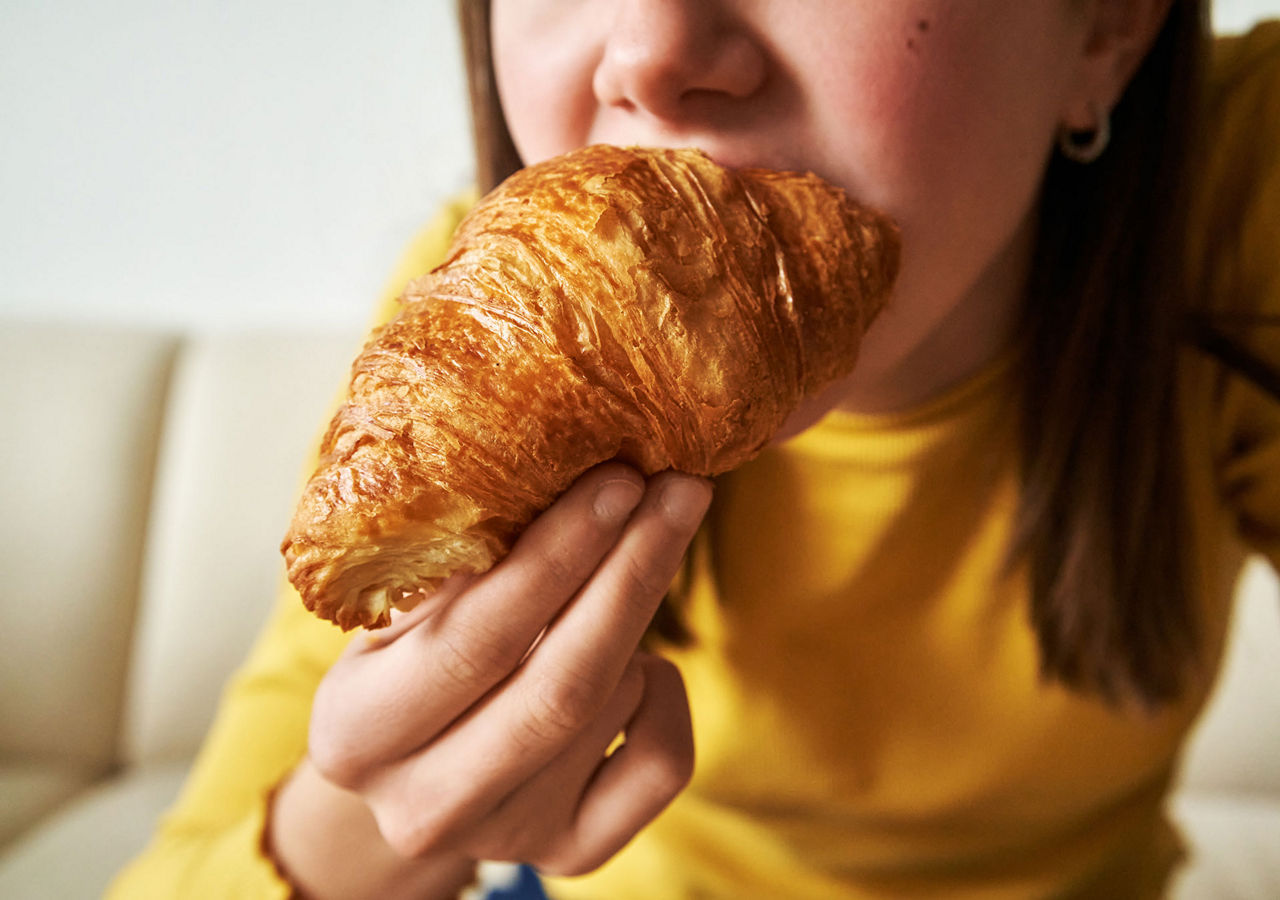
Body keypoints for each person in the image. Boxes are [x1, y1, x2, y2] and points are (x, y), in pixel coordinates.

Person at [111, 1, 1280, 897]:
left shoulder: (1229, 215)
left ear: (1109, 24)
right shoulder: (490, 329)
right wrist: (382, 820)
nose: (651, 47)